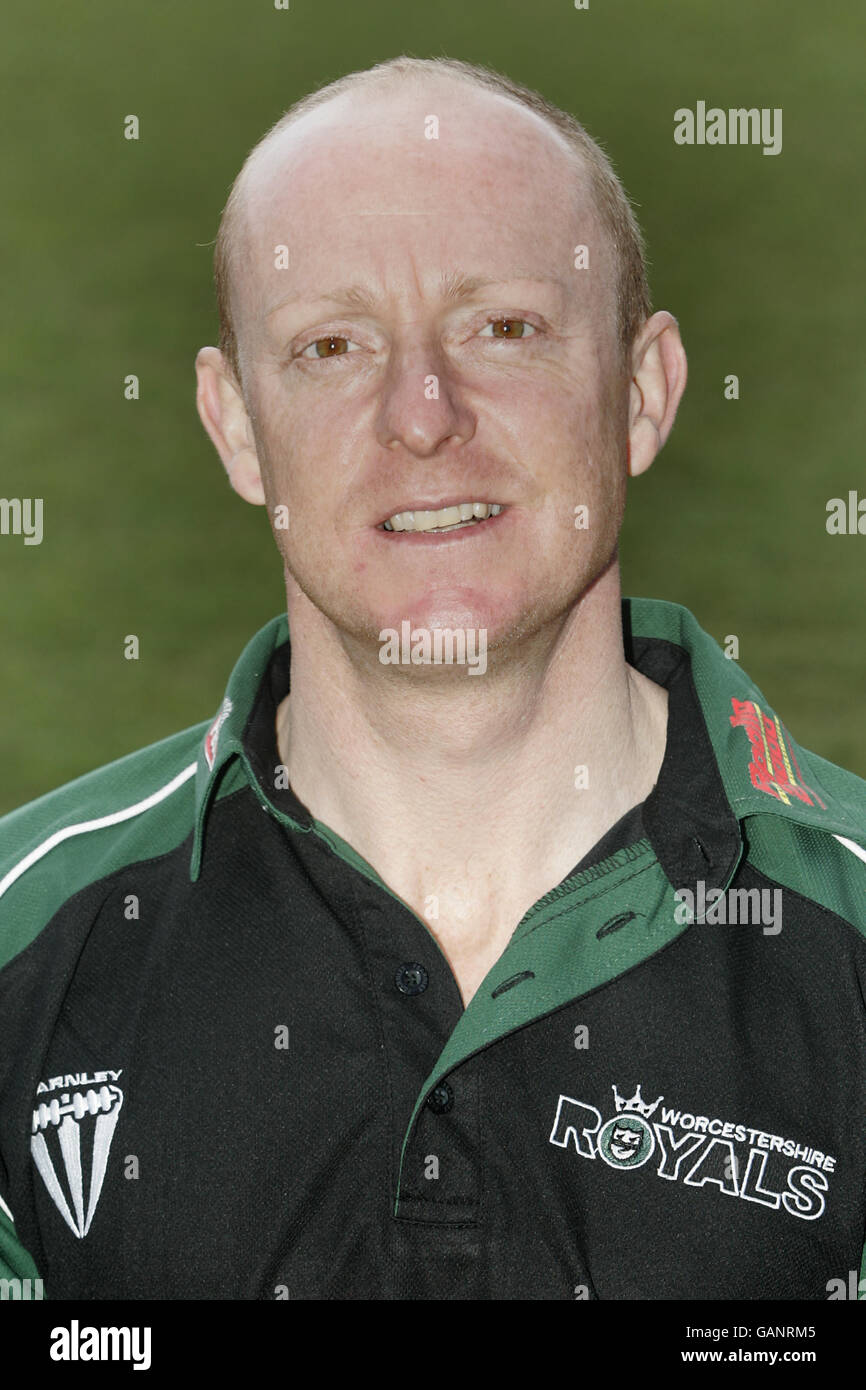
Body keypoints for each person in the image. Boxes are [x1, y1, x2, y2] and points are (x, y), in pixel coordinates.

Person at [1, 55, 864, 1301]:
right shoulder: (27, 954)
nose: (420, 413)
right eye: (331, 345)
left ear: (640, 392)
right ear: (236, 424)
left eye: (501, 328)